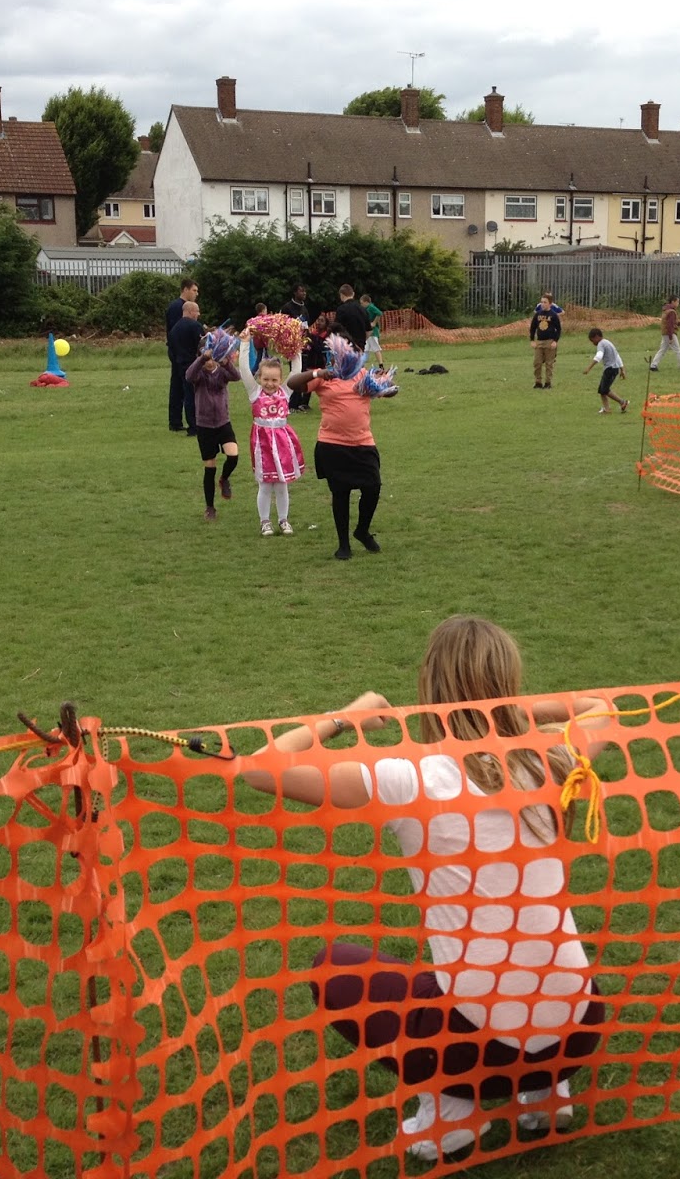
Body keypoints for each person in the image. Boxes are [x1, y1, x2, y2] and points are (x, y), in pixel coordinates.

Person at [236, 615, 614, 1162]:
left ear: (428, 686)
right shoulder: (553, 760)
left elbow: (257, 768)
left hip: (473, 1051)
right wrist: (508, 713)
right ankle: (544, 1091)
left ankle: (456, 1108)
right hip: (580, 1028)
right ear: (509, 681)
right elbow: (602, 707)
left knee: (331, 965)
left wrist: (351, 715)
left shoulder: (410, 776)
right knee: (491, 976)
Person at [290, 338, 390, 559]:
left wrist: (386, 388)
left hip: (363, 442)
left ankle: (362, 531)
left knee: (373, 487)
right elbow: (292, 383)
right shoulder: (326, 376)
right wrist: (317, 374)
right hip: (332, 444)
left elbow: (384, 390)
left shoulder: (363, 375)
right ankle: (343, 544)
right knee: (341, 493)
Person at [237, 339, 304, 536]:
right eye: (266, 379)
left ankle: (284, 520)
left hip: (282, 441)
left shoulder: (285, 391)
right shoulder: (254, 392)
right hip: (262, 443)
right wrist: (244, 344)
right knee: (265, 485)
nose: (270, 384)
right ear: (260, 378)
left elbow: (296, 372)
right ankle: (265, 521)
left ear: (280, 379)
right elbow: (244, 370)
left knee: (282, 485)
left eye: (274, 380)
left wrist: (296, 348)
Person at [186, 329, 243, 522]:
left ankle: (225, 478)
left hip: (223, 423)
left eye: (212, 358)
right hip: (204, 426)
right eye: (206, 358)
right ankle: (210, 507)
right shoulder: (199, 375)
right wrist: (202, 359)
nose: (210, 362)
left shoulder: (222, 373)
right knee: (209, 468)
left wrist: (226, 361)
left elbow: (236, 377)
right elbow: (188, 375)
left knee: (233, 457)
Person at [164, 278, 198, 433]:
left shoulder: (185, 309)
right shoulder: (176, 307)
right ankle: (177, 420)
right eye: (194, 290)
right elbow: (175, 332)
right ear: (185, 289)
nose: (196, 294)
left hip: (181, 351)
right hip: (179, 351)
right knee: (181, 386)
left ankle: (177, 421)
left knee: (179, 386)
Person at [167, 298, 203, 437]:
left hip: (180, 365)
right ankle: (195, 426)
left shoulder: (174, 329)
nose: (198, 314)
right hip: (193, 364)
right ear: (190, 311)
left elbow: (171, 349)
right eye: (197, 311)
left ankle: (187, 423)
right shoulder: (195, 326)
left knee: (186, 394)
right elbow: (201, 345)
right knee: (193, 395)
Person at [582, 328, 628, 414]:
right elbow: (617, 356)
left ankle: (622, 402)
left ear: (596, 337)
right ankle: (607, 409)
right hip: (614, 369)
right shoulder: (608, 342)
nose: (593, 343)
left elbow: (599, 356)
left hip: (610, 369)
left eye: (592, 341)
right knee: (602, 390)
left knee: (604, 390)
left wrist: (589, 368)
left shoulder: (601, 344)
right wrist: (622, 369)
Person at [648, 295, 680, 372]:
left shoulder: (666, 310)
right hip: (669, 333)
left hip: (665, 333)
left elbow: (673, 322)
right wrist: (671, 337)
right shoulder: (671, 312)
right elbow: (670, 325)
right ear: (673, 302)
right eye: (677, 302)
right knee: (678, 349)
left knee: (662, 350)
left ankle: (653, 365)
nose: (678, 303)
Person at [529, 293, 562, 388]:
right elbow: (532, 328)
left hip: (549, 342)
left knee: (549, 364)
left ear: (550, 304)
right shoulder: (538, 315)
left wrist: (555, 341)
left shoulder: (554, 315)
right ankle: (538, 382)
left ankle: (548, 383)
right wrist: (532, 340)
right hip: (539, 342)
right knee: (537, 363)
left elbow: (558, 329)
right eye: (542, 302)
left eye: (545, 302)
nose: (543, 304)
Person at [333, 283, 371, 349]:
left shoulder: (341, 309)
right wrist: (362, 341)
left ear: (341, 295)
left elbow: (336, 329)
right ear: (353, 294)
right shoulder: (362, 309)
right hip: (360, 346)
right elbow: (369, 330)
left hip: (346, 345)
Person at [359, 293, 384, 367]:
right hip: (367, 332)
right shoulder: (366, 309)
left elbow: (379, 313)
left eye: (362, 303)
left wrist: (374, 322)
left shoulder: (371, 307)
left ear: (366, 302)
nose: (361, 305)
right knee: (365, 349)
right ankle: (361, 366)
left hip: (372, 332)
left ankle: (381, 365)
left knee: (376, 348)